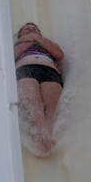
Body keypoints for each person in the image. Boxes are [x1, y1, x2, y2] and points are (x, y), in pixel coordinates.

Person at [14, 21, 65, 154]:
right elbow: (11, 56)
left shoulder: (46, 44)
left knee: (50, 110)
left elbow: (59, 54)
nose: (31, 29)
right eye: (27, 29)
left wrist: (37, 39)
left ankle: (47, 138)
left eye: (35, 28)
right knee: (35, 105)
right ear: (20, 35)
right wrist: (31, 40)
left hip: (50, 71)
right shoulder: (17, 45)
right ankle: (40, 137)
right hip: (26, 68)